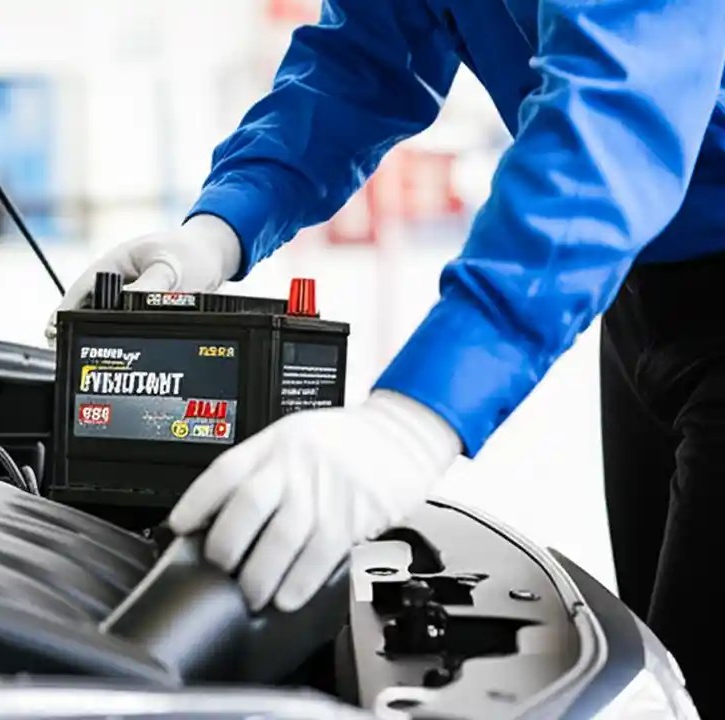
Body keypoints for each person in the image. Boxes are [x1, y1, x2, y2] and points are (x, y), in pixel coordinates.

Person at [49, 0, 725, 711]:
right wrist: (217, 231)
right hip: (642, 285)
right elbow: (362, 61)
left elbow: (616, 111)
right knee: (668, 666)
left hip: (651, 227)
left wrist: (412, 418)